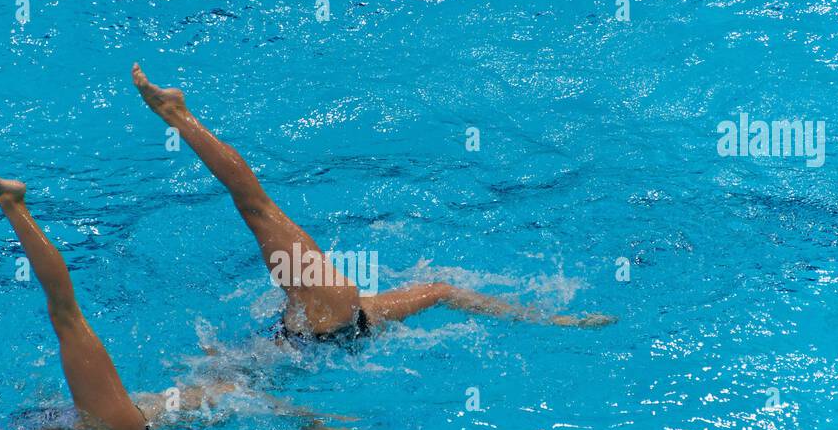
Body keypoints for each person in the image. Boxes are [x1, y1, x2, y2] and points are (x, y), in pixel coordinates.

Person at [0, 154, 399, 430]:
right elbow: (254, 400)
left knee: (65, 316)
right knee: (63, 317)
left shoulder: (122, 415)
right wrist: (324, 429)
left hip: (128, 423)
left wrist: (325, 429)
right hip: (128, 422)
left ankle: (14, 207)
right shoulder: (196, 396)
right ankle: (13, 207)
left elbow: (255, 400)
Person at [130, 64, 616, 342]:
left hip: (335, 319)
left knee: (255, 205)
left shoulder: (320, 308)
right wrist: (551, 318)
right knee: (257, 208)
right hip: (353, 321)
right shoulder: (362, 311)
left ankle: (178, 114)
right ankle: (552, 320)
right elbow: (447, 291)